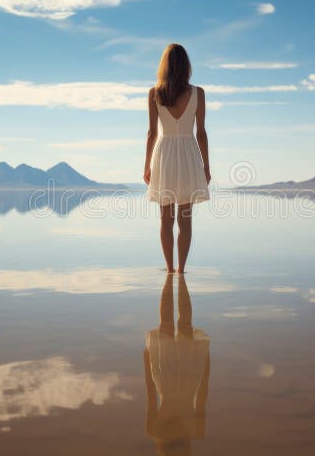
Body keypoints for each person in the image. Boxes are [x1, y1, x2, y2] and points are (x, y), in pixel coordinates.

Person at [144, 43, 211, 274]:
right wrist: (206, 166)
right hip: (189, 154)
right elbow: (201, 133)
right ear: (186, 66)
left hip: (164, 155)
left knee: (165, 219)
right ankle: (181, 270)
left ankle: (169, 269)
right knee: (185, 219)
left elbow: (152, 133)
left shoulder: (155, 93)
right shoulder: (198, 94)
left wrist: (146, 166)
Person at [143, 273, 210, 456]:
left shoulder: (196, 431)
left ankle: (174, 279)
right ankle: (176, 279)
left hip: (184, 375)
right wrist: (147, 360)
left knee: (183, 323)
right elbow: (149, 392)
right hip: (167, 376)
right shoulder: (154, 431)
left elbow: (203, 393)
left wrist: (205, 363)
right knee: (170, 323)